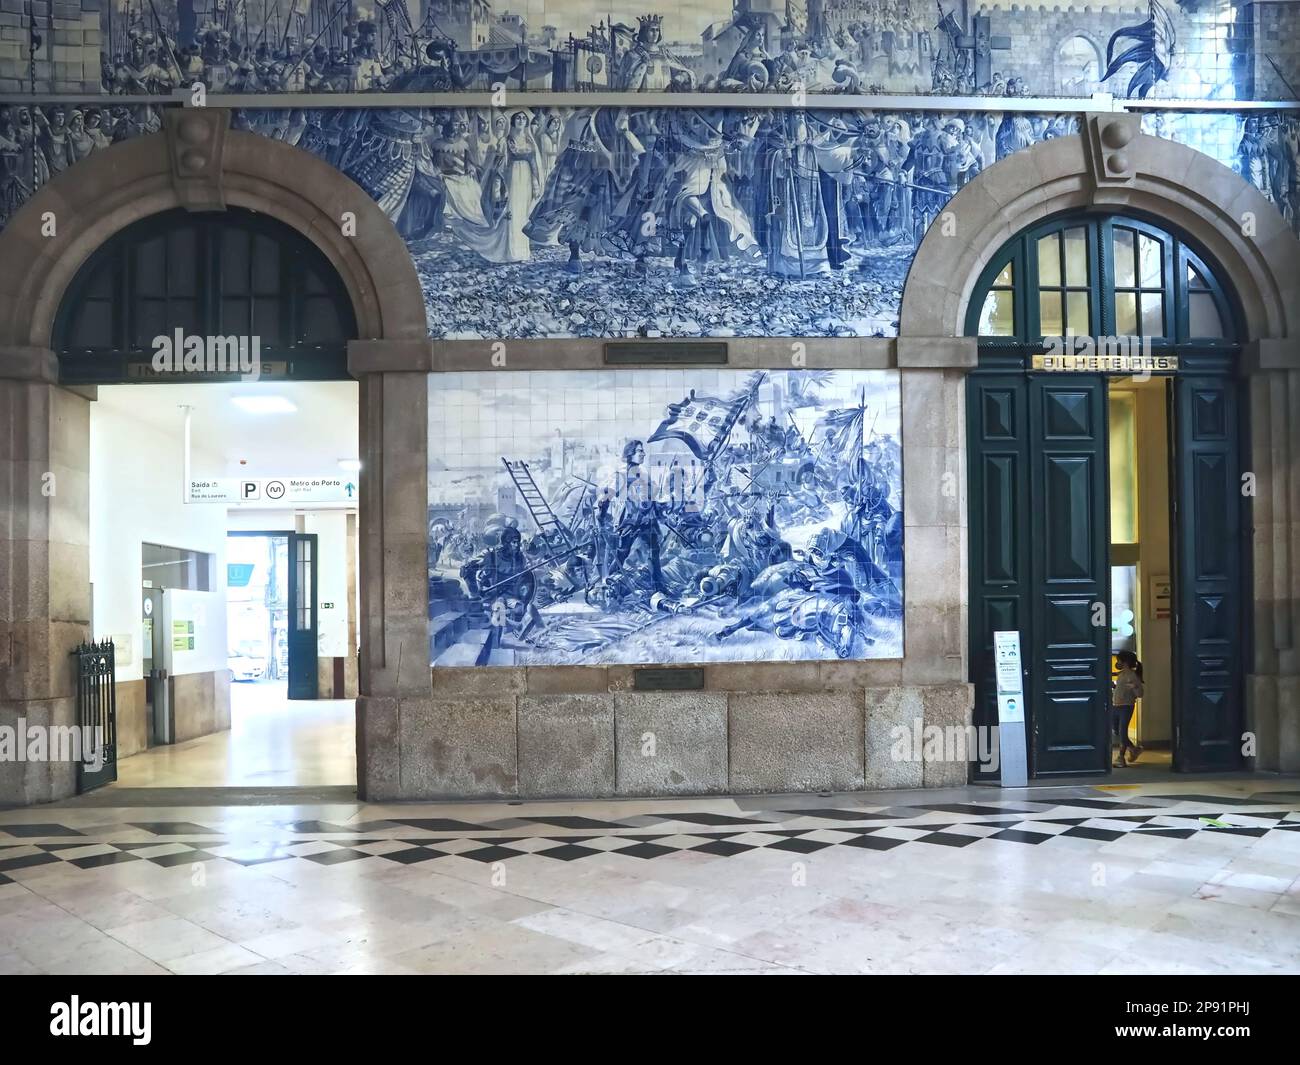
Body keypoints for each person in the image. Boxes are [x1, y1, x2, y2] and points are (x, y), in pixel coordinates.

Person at [1112, 650, 1145, 767]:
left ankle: (1121, 758)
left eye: (1119, 661)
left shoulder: (1132, 675)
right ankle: (1134, 749)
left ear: (1125, 662)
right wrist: (1114, 686)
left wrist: (1134, 687)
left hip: (1126, 707)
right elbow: (1120, 688)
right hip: (1115, 706)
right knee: (1116, 730)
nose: (1117, 663)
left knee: (1122, 732)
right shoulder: (1121, 674)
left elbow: (1140, 693)